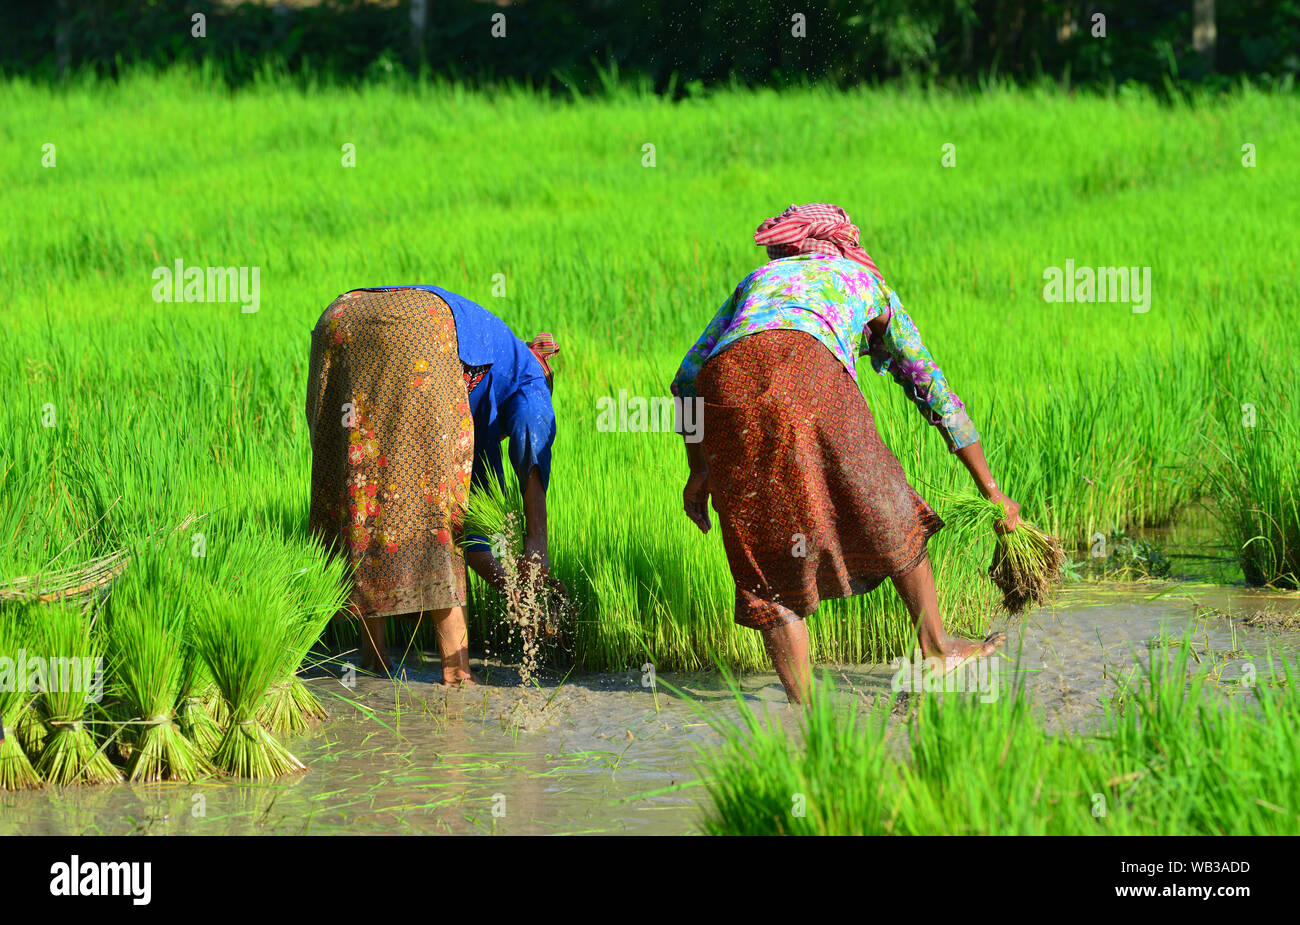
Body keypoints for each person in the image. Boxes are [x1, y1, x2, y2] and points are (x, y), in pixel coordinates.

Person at [671, 203, 1020, 704]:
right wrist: (993, 491)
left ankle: (804, 711)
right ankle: (937, 647)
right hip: (807, 372)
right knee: (889, 504)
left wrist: (699, 467)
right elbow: (933, 390)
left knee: (765, 556)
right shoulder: (862, 280)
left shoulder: (760, 279)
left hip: (724, 389)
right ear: (841, 244)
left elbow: (687, 380)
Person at [306, 284, 561, 683]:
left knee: (361, 486)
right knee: (436, 510)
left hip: (339, 319)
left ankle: (374, 661)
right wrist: (536, 543)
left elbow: (472, 535)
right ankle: (456, 676)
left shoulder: (475, 411)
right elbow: (534, 430)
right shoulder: (528, 373)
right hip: (420, 329)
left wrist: (515, 593)